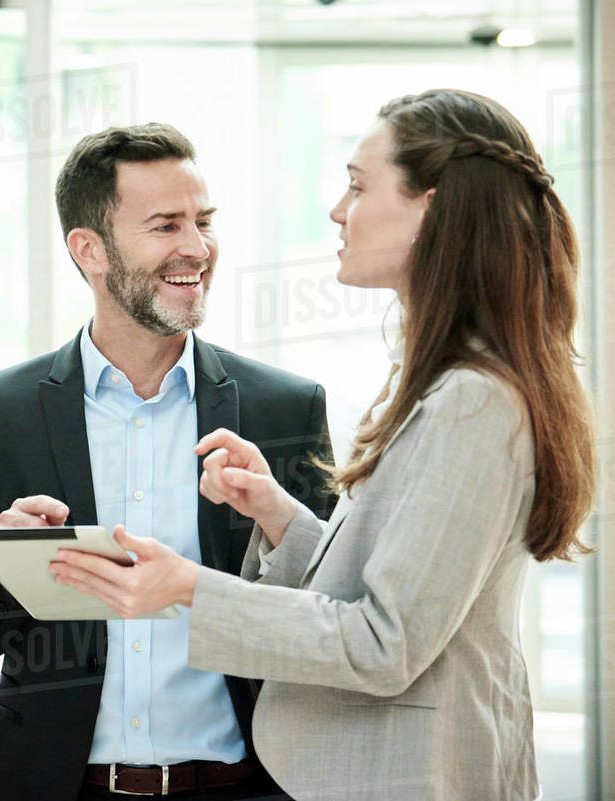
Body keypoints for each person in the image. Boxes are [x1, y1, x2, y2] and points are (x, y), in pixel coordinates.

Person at [50, 89, 596, 801]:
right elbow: (396, 586)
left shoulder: (472, 400)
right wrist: (282, 518)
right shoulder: (448, 383)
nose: (339, 210)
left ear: (430, 207)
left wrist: (187, 588)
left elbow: (384, 642)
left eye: (359, 185)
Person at [0, 123, 335, 801]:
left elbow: (330, 622)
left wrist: (279, 520)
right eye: (167, 226)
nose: (196, 248)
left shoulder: (284, 410)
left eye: (203, 222)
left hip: (244, 784)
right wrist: (13, 566)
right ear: (90, 250)